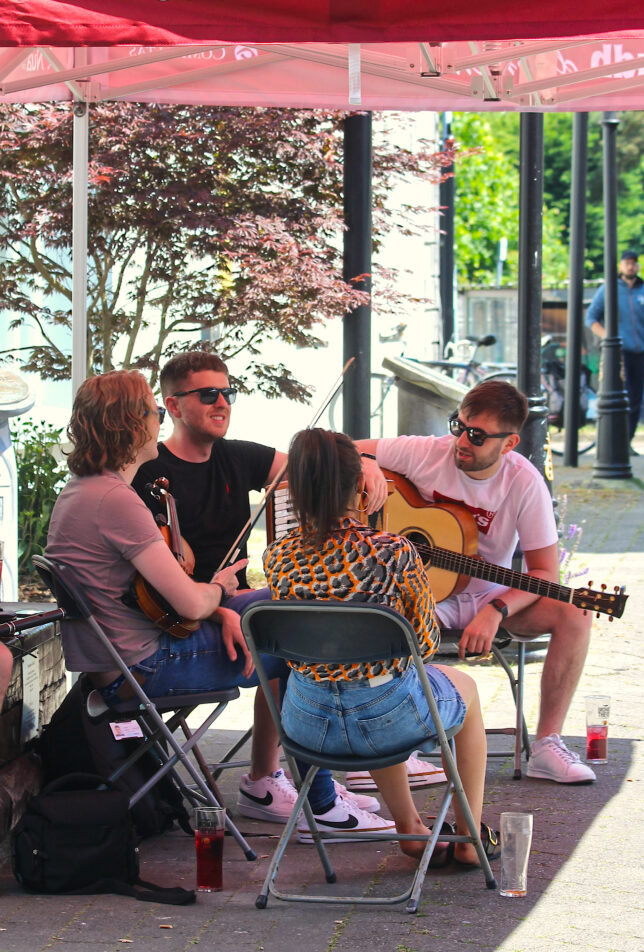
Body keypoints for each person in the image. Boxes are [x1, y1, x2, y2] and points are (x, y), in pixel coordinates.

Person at [133, 350, 393, 840]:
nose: (222, 402)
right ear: (173, 404)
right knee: (304, 629)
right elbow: (152, 584)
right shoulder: (152, 472)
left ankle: (269, 779)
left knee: (294, 621)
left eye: (228, 392)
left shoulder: (237, 456)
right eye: (208, 394)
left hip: (236, 607)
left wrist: (362, 463)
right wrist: (215, 612)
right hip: (185, 620)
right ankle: (312, 790)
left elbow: (315, 469)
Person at [263, 428, 498, 867]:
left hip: (306, 723)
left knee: (366, 680)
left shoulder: (277, 556)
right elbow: (426, 645)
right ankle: (468, 836)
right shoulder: (394, 552)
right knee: (459, 688)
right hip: (384, 722)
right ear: (360, 485)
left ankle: (409, 826)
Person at [356, 379, 597, 785]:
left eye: (478, 435)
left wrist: (494, 611)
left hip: (488, 592)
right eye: (460, 425)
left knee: (575, 610)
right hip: (418, 595)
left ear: (509, 443)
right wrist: (363, 462)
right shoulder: (427, 452)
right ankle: (385, 749)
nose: (462, 441)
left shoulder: (524, 482)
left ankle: (546, 745)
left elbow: (544, 572)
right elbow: (336, 446)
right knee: (375, 610)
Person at [45, 369, 281, 731]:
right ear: (131, 424)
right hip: (143, 668)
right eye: (153, 409)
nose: (159, 418)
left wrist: (222, 610)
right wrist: (221, 588)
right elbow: (189, 603)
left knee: (282, 605)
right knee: (301, 642)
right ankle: (313, 785)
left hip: (119, 664)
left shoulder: (82, 490)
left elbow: (158, 596)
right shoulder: (115, 500)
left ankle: (278, 780)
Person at [586, 248, 644, 451]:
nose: (631, 266)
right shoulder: (609, 289)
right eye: (627, 262)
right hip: (618, 353)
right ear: (621, 265)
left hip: (639, 351)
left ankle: (627, 442)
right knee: (619, 396)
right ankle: (615, 443)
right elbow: (591, 318)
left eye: (634, 263)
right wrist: (609, 337)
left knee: (635, 399)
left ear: (638, 265)